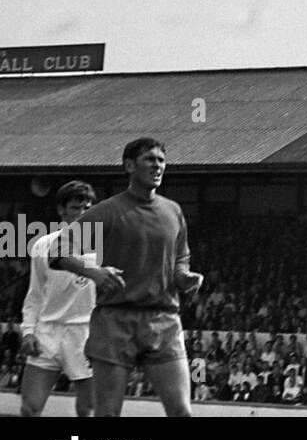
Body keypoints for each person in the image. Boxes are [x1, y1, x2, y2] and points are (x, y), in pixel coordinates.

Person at [50, 137, 203, 416]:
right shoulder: (108, 210)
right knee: (107, 413)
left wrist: (183, 276)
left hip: (163, 319)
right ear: (129, 165)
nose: (158, 166)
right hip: (115, 320)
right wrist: (93, 272)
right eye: (150, 159)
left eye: (161, 160)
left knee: (182, 411)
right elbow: (58, 249)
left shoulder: (173, 211)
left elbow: (181, 256)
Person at [19, 180, 98, 416]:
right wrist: (28, 332)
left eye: (88, 208)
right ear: (61, 210)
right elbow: (34, 295)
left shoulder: (103, 247)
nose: (83, 213)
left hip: (86, 334)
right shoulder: (43, 245)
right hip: (48, 332)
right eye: (76, 207)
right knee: (29, 408)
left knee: (88, 411)